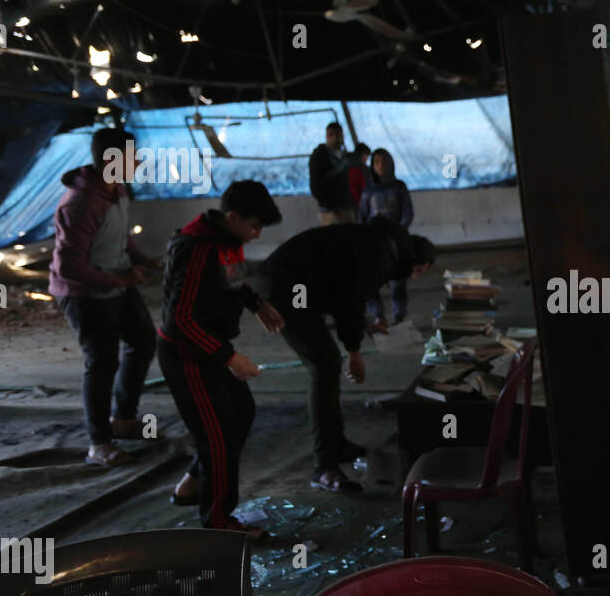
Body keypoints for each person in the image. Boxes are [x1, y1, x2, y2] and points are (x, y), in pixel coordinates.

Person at [259, 218, 435, 492]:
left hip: (297, 282)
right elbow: (349, 298)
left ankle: (337, 445)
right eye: (419, 272)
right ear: (416, 261)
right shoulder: (383, 252)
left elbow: (339, 286)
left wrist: (363, 325)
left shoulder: (381, 243)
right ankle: (324, 466)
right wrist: (354, 352)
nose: (413, 277)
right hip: (288, 287)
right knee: (325, 365)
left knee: (326, 362)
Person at [157, 180, 285, 538]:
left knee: (241, 413)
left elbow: (231, 282)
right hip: (188, 356)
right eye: (255, 226)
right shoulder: (198, 247)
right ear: (232, 217)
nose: (257, 234)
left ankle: (194, 481)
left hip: (211, 347)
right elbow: (179, 319)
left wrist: (255, 302)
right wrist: (229, 357)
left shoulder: (228, 241)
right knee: (218, 439)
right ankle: (219, 524)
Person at [49, 127, 159, 467]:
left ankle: (123, 419)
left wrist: (138, 259)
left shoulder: (116, 190)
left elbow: (120, 235)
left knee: (142, 341)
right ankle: (99, 443)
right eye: (132, 156)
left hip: (116, 283)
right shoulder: (81, 204)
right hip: (85, 295)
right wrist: (121, 277)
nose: (139, 161)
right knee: (101, 363)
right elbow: (69, 266)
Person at [359, 148, 415, 323]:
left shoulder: (399, 187)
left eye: (384, 161)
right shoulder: (368, 190)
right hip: (374, 242)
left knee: (398, 280)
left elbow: (407, 213)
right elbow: (363, 216)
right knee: (371, 280)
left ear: (390, 163)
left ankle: (399, 316)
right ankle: (378, 315)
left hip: (397, 241)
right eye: (376, 162)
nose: (380, 165)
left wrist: (398, 233)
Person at [308, 121, 355, 225]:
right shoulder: (318, 158)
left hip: (347, 209)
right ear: (326, 137)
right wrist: (330, 206)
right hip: (329, 212)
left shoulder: (347, 158)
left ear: (342, 137)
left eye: (337, 135)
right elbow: (315, 186)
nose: (334, 138)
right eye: (331, 135)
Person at [346, 142, 371, 210]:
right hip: (358, 203)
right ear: (363, 155)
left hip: (342, 204)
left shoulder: (342, 163)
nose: (366, 160)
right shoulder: (364, 169)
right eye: (367, 157)